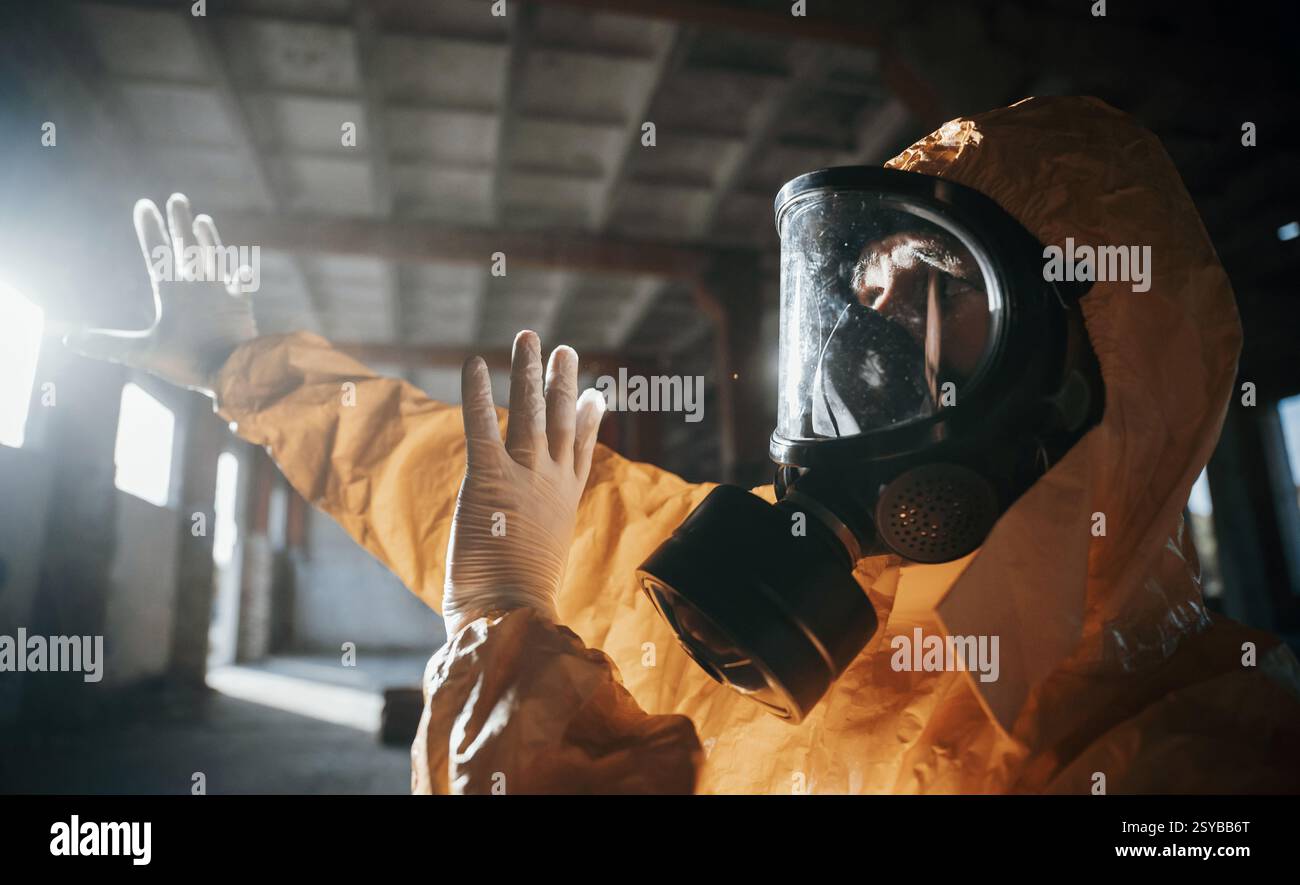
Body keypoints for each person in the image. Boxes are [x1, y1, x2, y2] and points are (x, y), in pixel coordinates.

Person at [69, 96, 1300, 794]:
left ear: (1082, 373)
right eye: (861, 294)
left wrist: (504, 631)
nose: (872, 339)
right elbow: (465, 482)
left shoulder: (1203, 769)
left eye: (938, 284)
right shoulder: (821, 607)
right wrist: (249, 370)